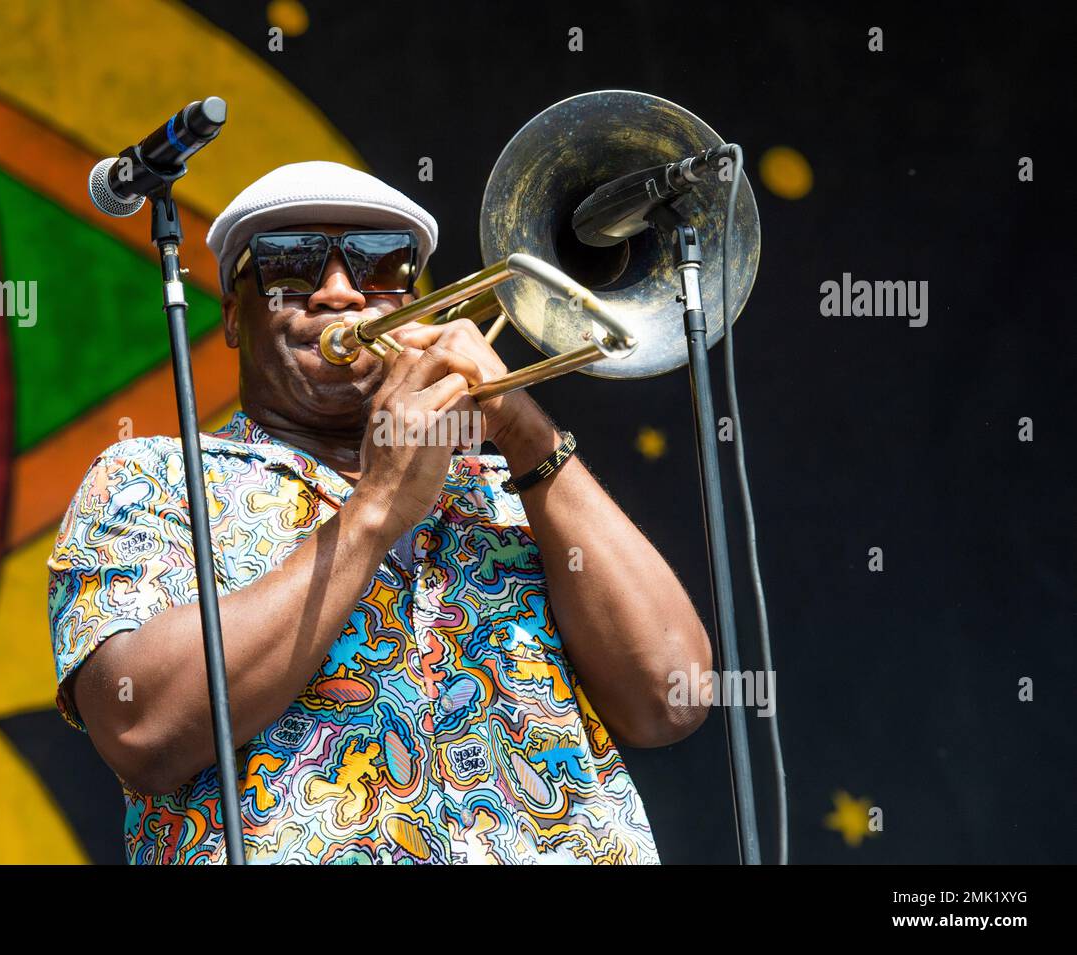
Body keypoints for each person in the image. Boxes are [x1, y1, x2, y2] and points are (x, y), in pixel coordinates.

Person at [48, 161, 712, 864]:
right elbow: (140, 729)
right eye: (292, 264)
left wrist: (523, 430)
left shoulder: (511, 492)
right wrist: (373, 510)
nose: (339, 292)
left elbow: (673, 697)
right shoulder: (149, 479)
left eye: (379, 264)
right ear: (235, 316)